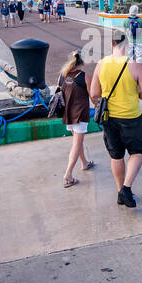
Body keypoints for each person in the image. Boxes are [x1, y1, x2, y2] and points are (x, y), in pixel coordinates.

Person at [89, 29, 142, 208]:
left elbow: (94, 93)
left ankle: (120, 192)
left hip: (109, 118)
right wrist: (135, 92)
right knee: (137, 152)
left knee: (116, 155)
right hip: (131, 117)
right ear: (127, 45)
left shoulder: (101, 64)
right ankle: (126, 188)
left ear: (112, 45)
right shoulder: (135, 65)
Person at [57, 50, 96, 187]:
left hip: (67, 114)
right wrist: (98, 106)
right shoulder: (84, 76)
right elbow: (93, 95)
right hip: (80, 114)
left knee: (77, 142)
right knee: (76, 143)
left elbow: (58, 93)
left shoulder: (62, 75)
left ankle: (84, 163)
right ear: (82, 62)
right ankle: (68, 174)